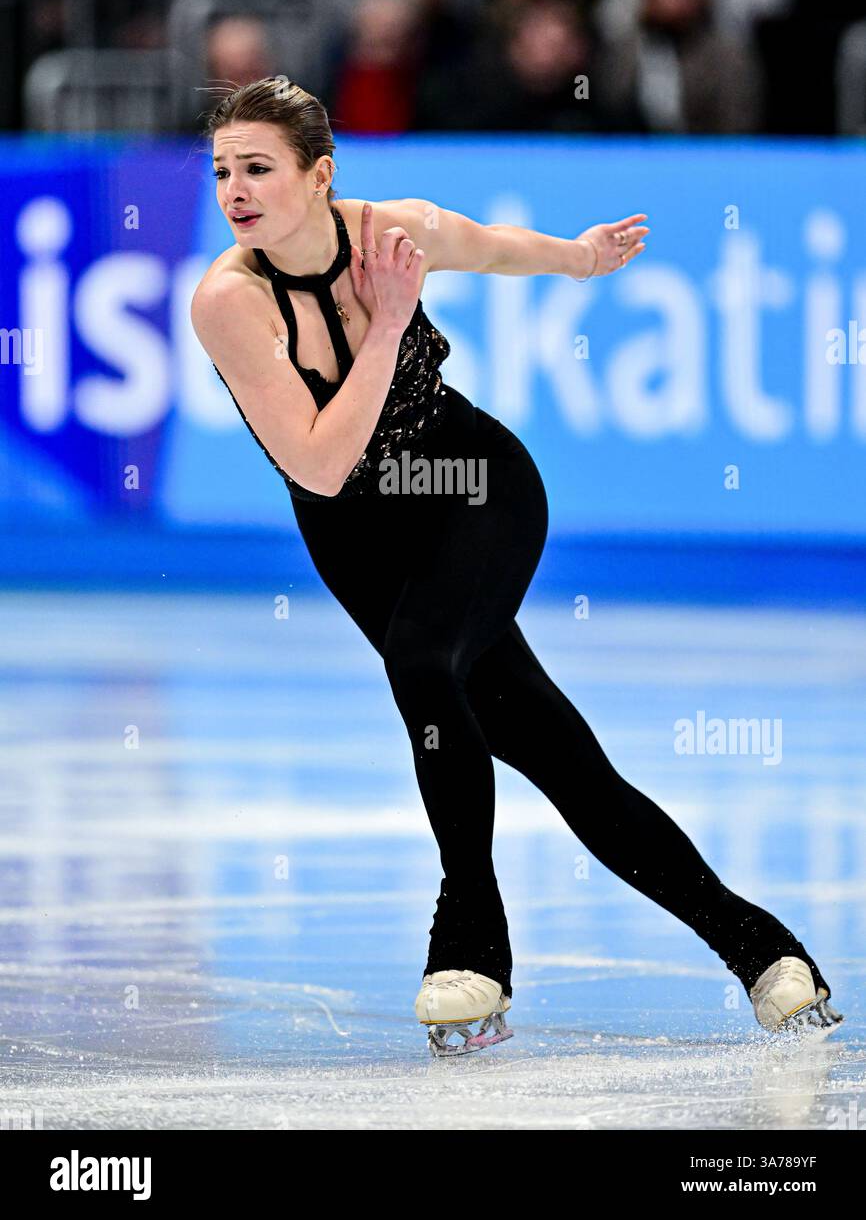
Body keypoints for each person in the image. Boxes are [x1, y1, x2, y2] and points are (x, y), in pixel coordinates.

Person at [190, 77, 841, 1056]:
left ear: (319, 175)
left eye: (258, 168)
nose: (235, 190)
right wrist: (388, 322)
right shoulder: (227, 301)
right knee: (553, 752)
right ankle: (761, 950)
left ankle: (469, 937)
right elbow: (322, 468)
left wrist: (581, 259)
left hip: (469, 483)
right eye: (221, 172)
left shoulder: (393, 233)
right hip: (356, 536)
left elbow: (494, 248)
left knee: (421, 667)